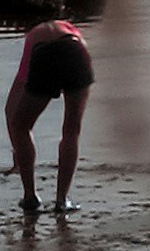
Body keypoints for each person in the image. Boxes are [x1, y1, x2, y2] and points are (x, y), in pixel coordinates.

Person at [7, 16, 94, 214]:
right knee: (72, 130)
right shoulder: (70, 28)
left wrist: (17, 151)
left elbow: (11, 105)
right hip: (77, 53)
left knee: (21, 125)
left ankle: (30, 197)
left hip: (45, 56)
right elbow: (84, 53)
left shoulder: (33, 36)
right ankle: (62, 200)